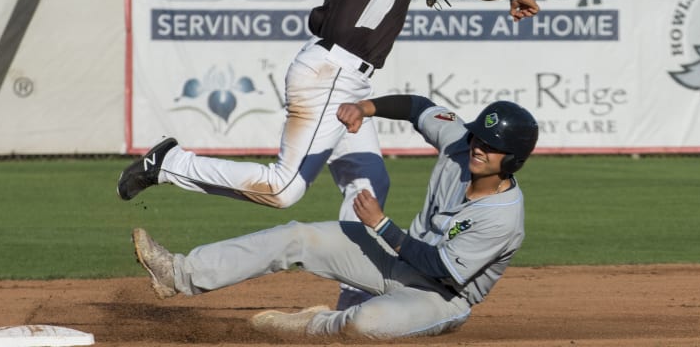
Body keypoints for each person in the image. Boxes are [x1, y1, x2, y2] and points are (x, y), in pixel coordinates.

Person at [116, 0, 539, 307]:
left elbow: (334, 8)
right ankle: (170, 164)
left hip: (341, 76)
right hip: (332, 78)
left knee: (368, 184)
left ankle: (354, 298)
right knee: (283, 189)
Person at [130, 97, 539, 340]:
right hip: (393, 257)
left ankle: (315, 324)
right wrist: (366, 107)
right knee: (298, 237)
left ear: (514, 159)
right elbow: (418, 107)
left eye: (492, 145)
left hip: (441, 296)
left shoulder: (503, 217)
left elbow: (440, 267)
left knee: (365, 324)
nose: (479, 147)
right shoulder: (459, 143)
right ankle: (178, 274)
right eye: (478, 137)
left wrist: (381, 225)